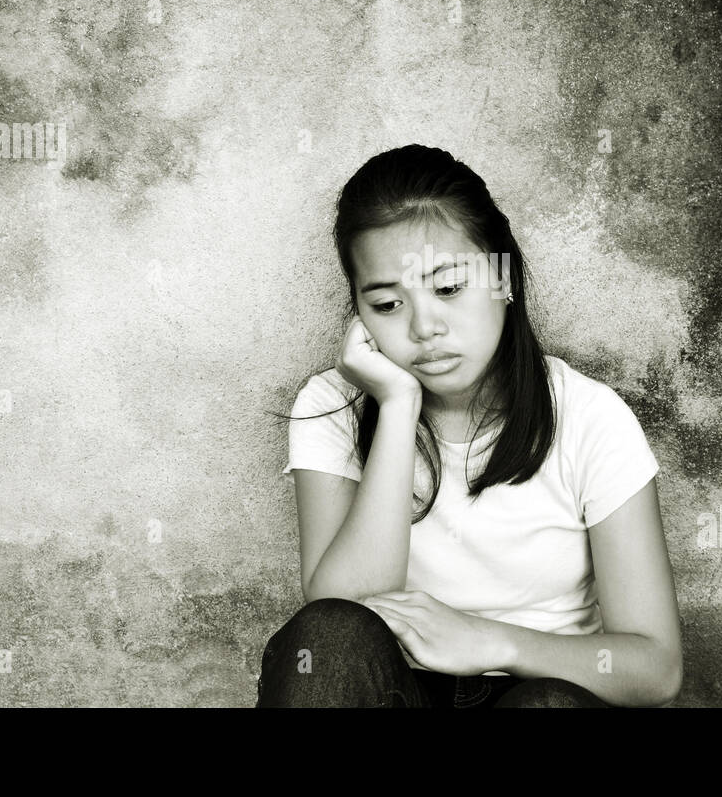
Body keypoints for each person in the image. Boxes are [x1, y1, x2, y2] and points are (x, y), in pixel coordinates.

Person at [258, 144, 683, 708]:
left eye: (449, 288)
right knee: (329, 635)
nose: (424, 327)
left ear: (504, 280)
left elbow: (655, 668)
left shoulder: (589, 417)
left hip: (538, 691)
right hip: (393, 693)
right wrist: (398, 405)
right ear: (358, 315)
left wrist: (489, 641)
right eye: (387, 305)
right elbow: (341, 619)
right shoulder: (333, 404)